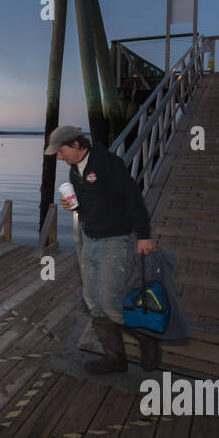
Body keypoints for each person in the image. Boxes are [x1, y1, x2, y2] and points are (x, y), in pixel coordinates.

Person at [45, 125, 158, 374]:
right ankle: (115, 359)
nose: (59, 157)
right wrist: (73, 206)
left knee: (109, 301)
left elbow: (133, 198)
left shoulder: (108, 163)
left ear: (76, 144)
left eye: (61, 151)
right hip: (90, 240)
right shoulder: (75, 170)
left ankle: (147, 340)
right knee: (93, 302)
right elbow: (89, 203)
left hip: (116, 240)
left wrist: (144, 236)